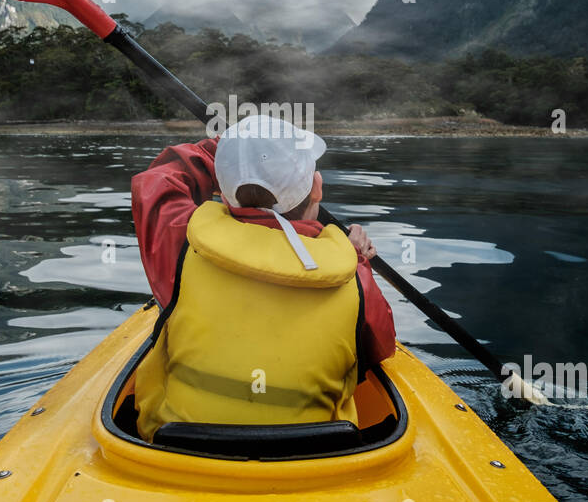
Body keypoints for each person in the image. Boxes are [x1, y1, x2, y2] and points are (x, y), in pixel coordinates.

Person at [130, 114, 396, 442]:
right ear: (317, 188)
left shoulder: (181, 245)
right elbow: (379, 348)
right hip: (314, 452)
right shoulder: (354, 279)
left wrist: (229, 152)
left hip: (176, 444)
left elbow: (160, 179)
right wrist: (359, 262)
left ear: (225, 195)